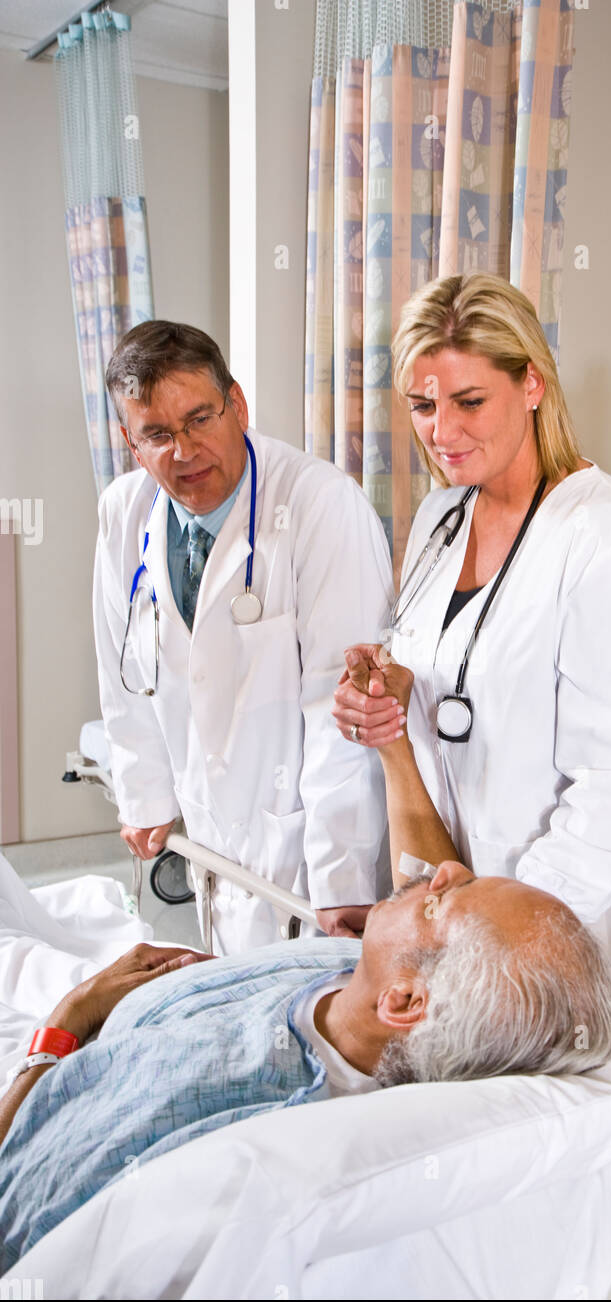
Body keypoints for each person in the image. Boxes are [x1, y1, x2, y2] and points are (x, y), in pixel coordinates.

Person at [0, 672, 611, 1273]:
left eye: (443, 898)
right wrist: (391, 743)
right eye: (467, 875)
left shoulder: (240, 1118)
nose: (443, 868)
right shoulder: (354, 972)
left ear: (407, 1003)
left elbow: (22, 1189)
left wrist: (60, 1027)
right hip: (127, 997)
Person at [332, 273, 611, 993]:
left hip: (558, 930)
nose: (442, 432)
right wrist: (384, 698)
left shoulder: (602, 537)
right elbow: (449, 695)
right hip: (453, 910)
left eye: (469, 401)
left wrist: (505, 931)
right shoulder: (441, 521)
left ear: (531, 384)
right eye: (423, 405)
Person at [94, 321, 394, 953]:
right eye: (157, 435)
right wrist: (144, 792)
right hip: (212, 847)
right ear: (129, 440)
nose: (183, 451)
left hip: (304, 855)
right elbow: (120, 665)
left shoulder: (320, 506)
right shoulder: (126, 512)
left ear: (237, 404)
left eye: (200, 418)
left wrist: (344, 875)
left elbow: (340, 707)